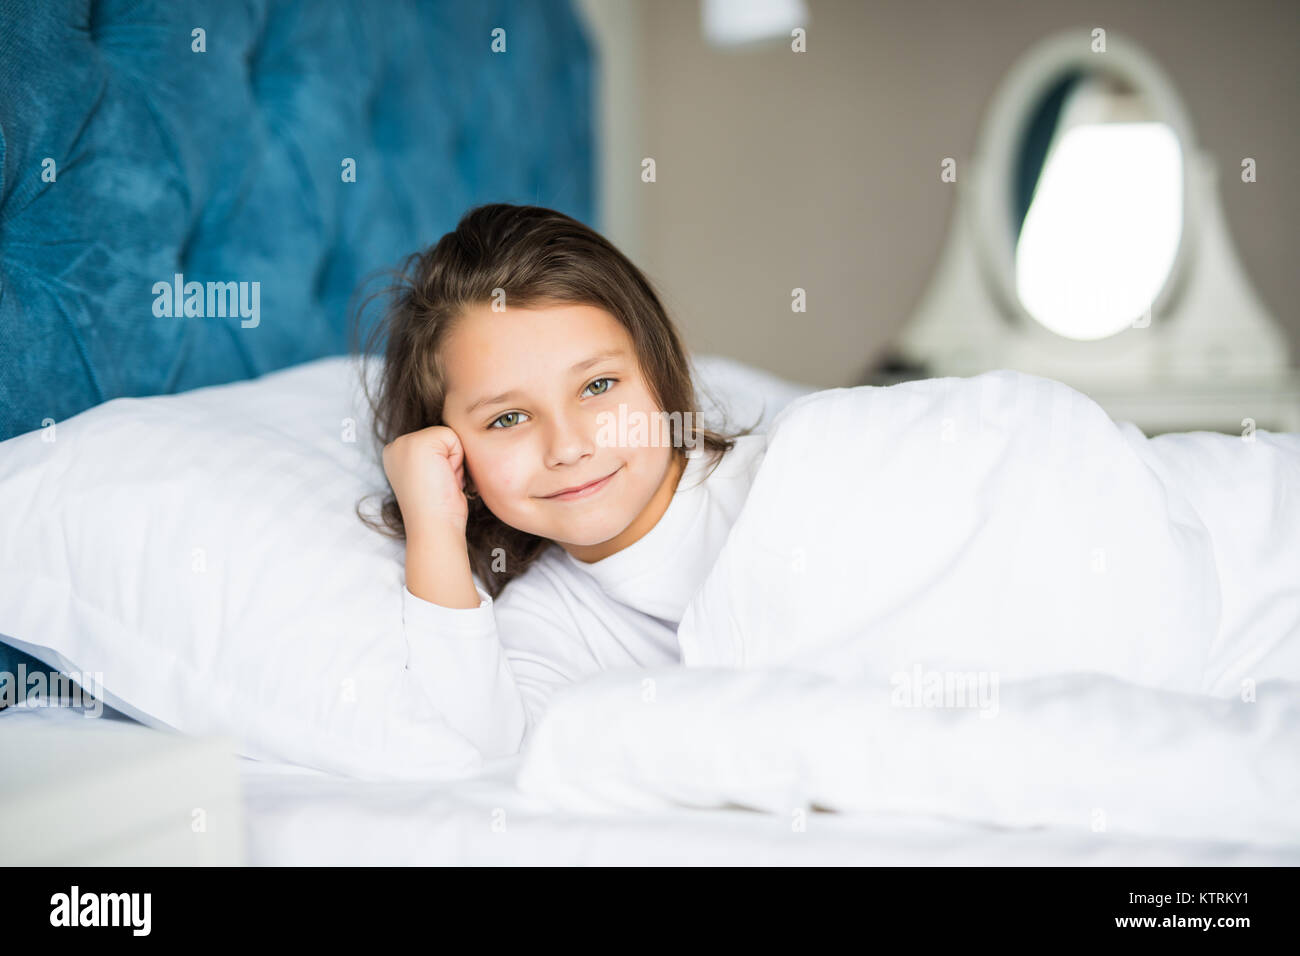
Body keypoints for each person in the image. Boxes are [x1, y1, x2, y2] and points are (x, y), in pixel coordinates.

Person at [355, 203, 764, 760]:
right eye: (507, 419)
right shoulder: (547, 618)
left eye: (597, 386)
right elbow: (472, 756)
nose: (569, 447)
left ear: (660, 371)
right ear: (456, 461)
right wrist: (432, 526)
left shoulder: (788, 480)